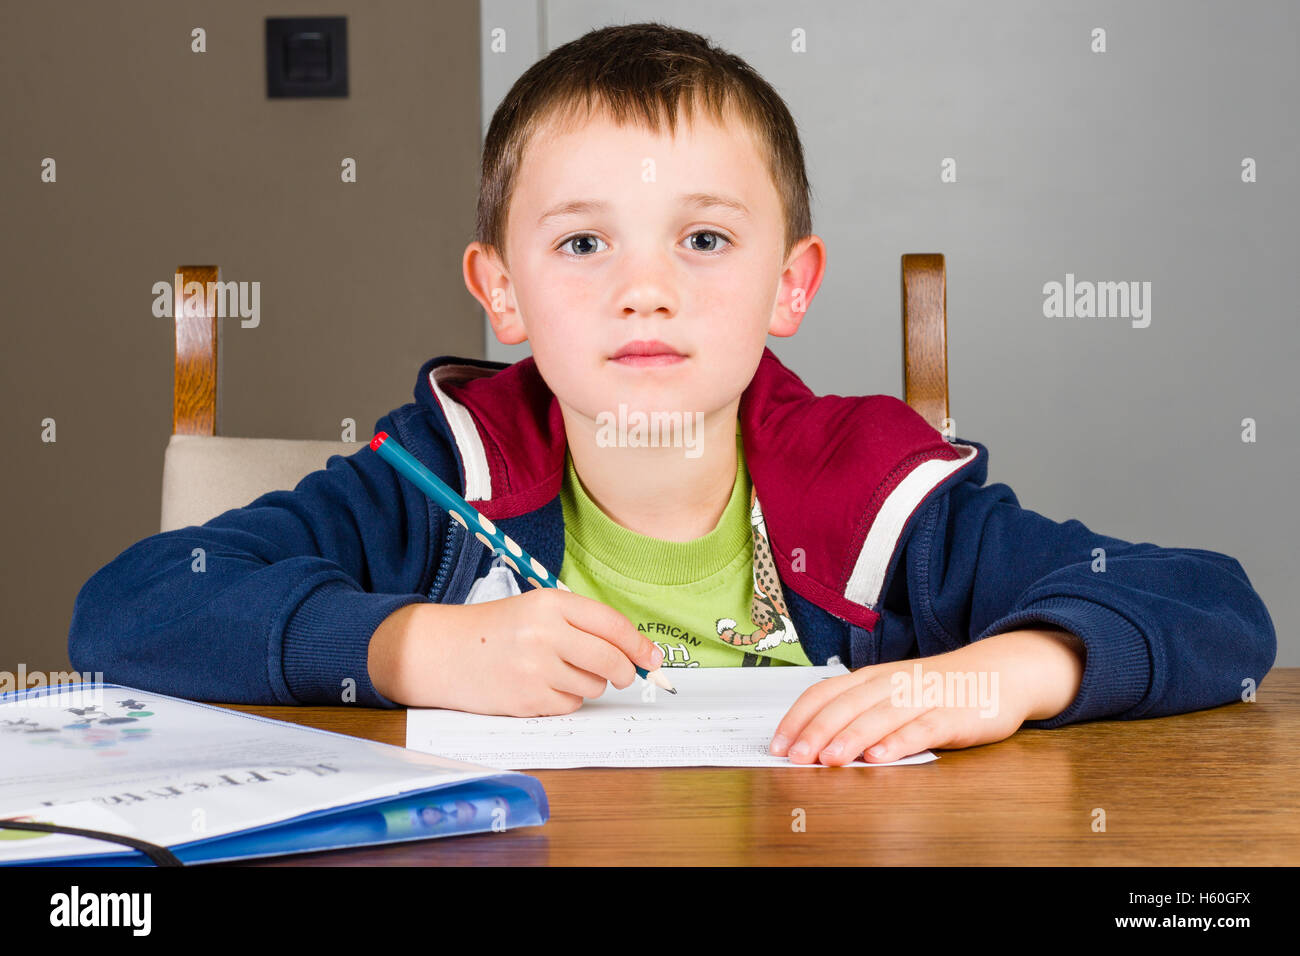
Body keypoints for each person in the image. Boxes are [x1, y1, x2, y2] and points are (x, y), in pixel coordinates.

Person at [69, 22, 1275, 766]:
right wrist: (410, 643)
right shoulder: (427, 478)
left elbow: (1218, 611)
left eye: (702, 240)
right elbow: (124, 611)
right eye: (584, 246)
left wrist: (1002, 674)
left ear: (788, 284)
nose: (645, 292)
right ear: (502, 293)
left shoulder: (881, 487)